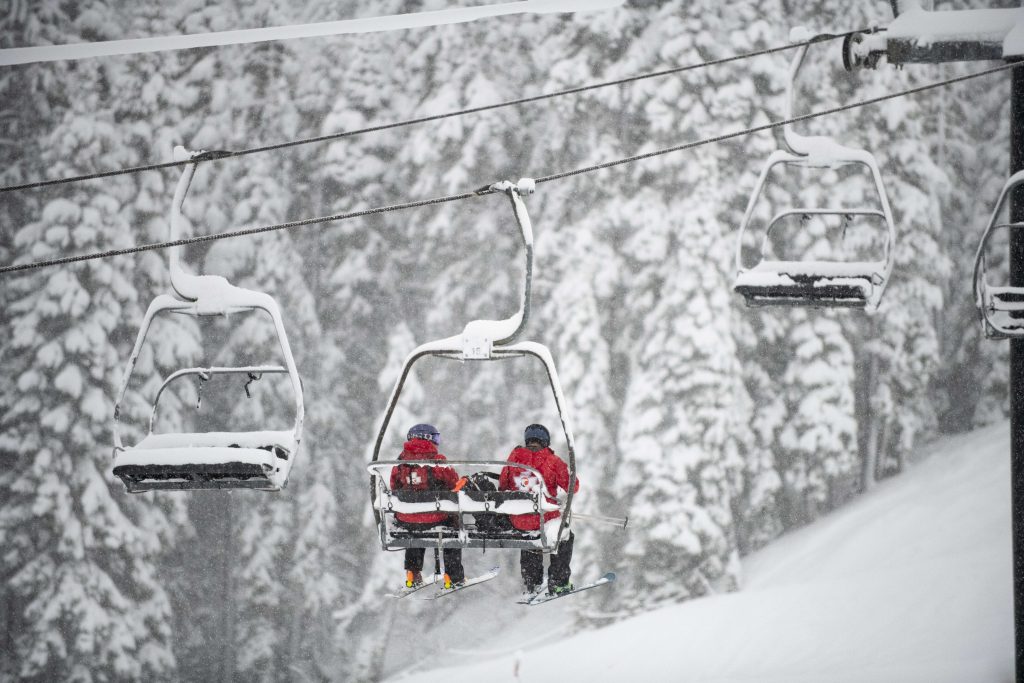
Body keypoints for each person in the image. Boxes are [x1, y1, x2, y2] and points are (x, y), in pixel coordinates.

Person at [499, 423, 579, 596]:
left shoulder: (514, 459)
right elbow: (573, 486)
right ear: (546, 441)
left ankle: (532, 583)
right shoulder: (553, 462)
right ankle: (558, 582)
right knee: (563, 536)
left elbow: (503, 485)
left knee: (530, 539)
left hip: (519, 519)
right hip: (545, 517)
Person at [390, 423, 466, 589]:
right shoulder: (437, 462)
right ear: (429, 438)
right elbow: (453, 483)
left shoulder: (401, 462)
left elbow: (394, 487)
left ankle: (412, 572)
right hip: (436, 518)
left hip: (407, 518)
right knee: (451, 529)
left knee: (414, 531)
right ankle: (453, 576)